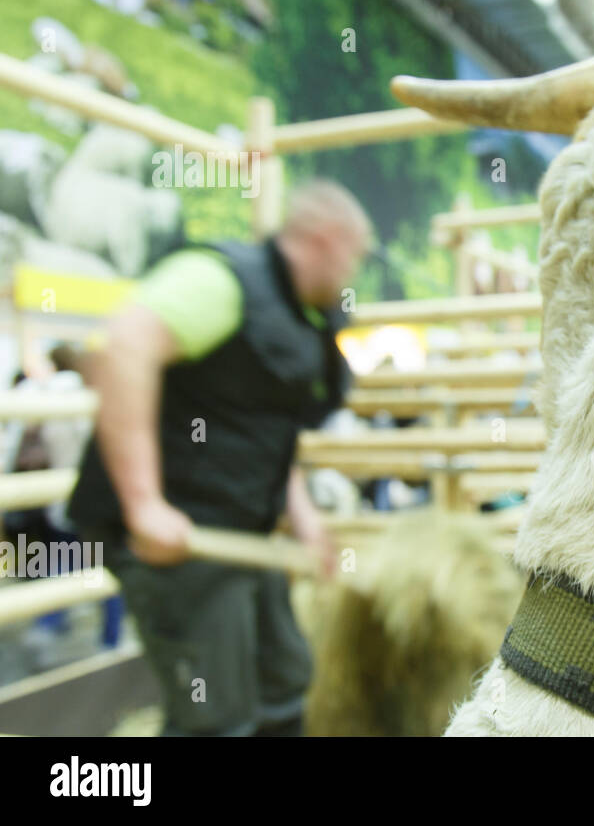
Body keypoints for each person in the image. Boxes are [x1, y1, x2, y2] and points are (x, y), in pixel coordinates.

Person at [67, 180, 372, 736]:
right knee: (214, 718)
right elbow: (127, 344)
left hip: (241, 537)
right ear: (328, 240)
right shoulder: (224, 279)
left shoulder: (300, 317)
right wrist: (143, 505)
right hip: (177, 534)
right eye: (354, 256)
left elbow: (264, 438)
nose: (353, 275)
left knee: (285, 684)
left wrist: (305, 524)